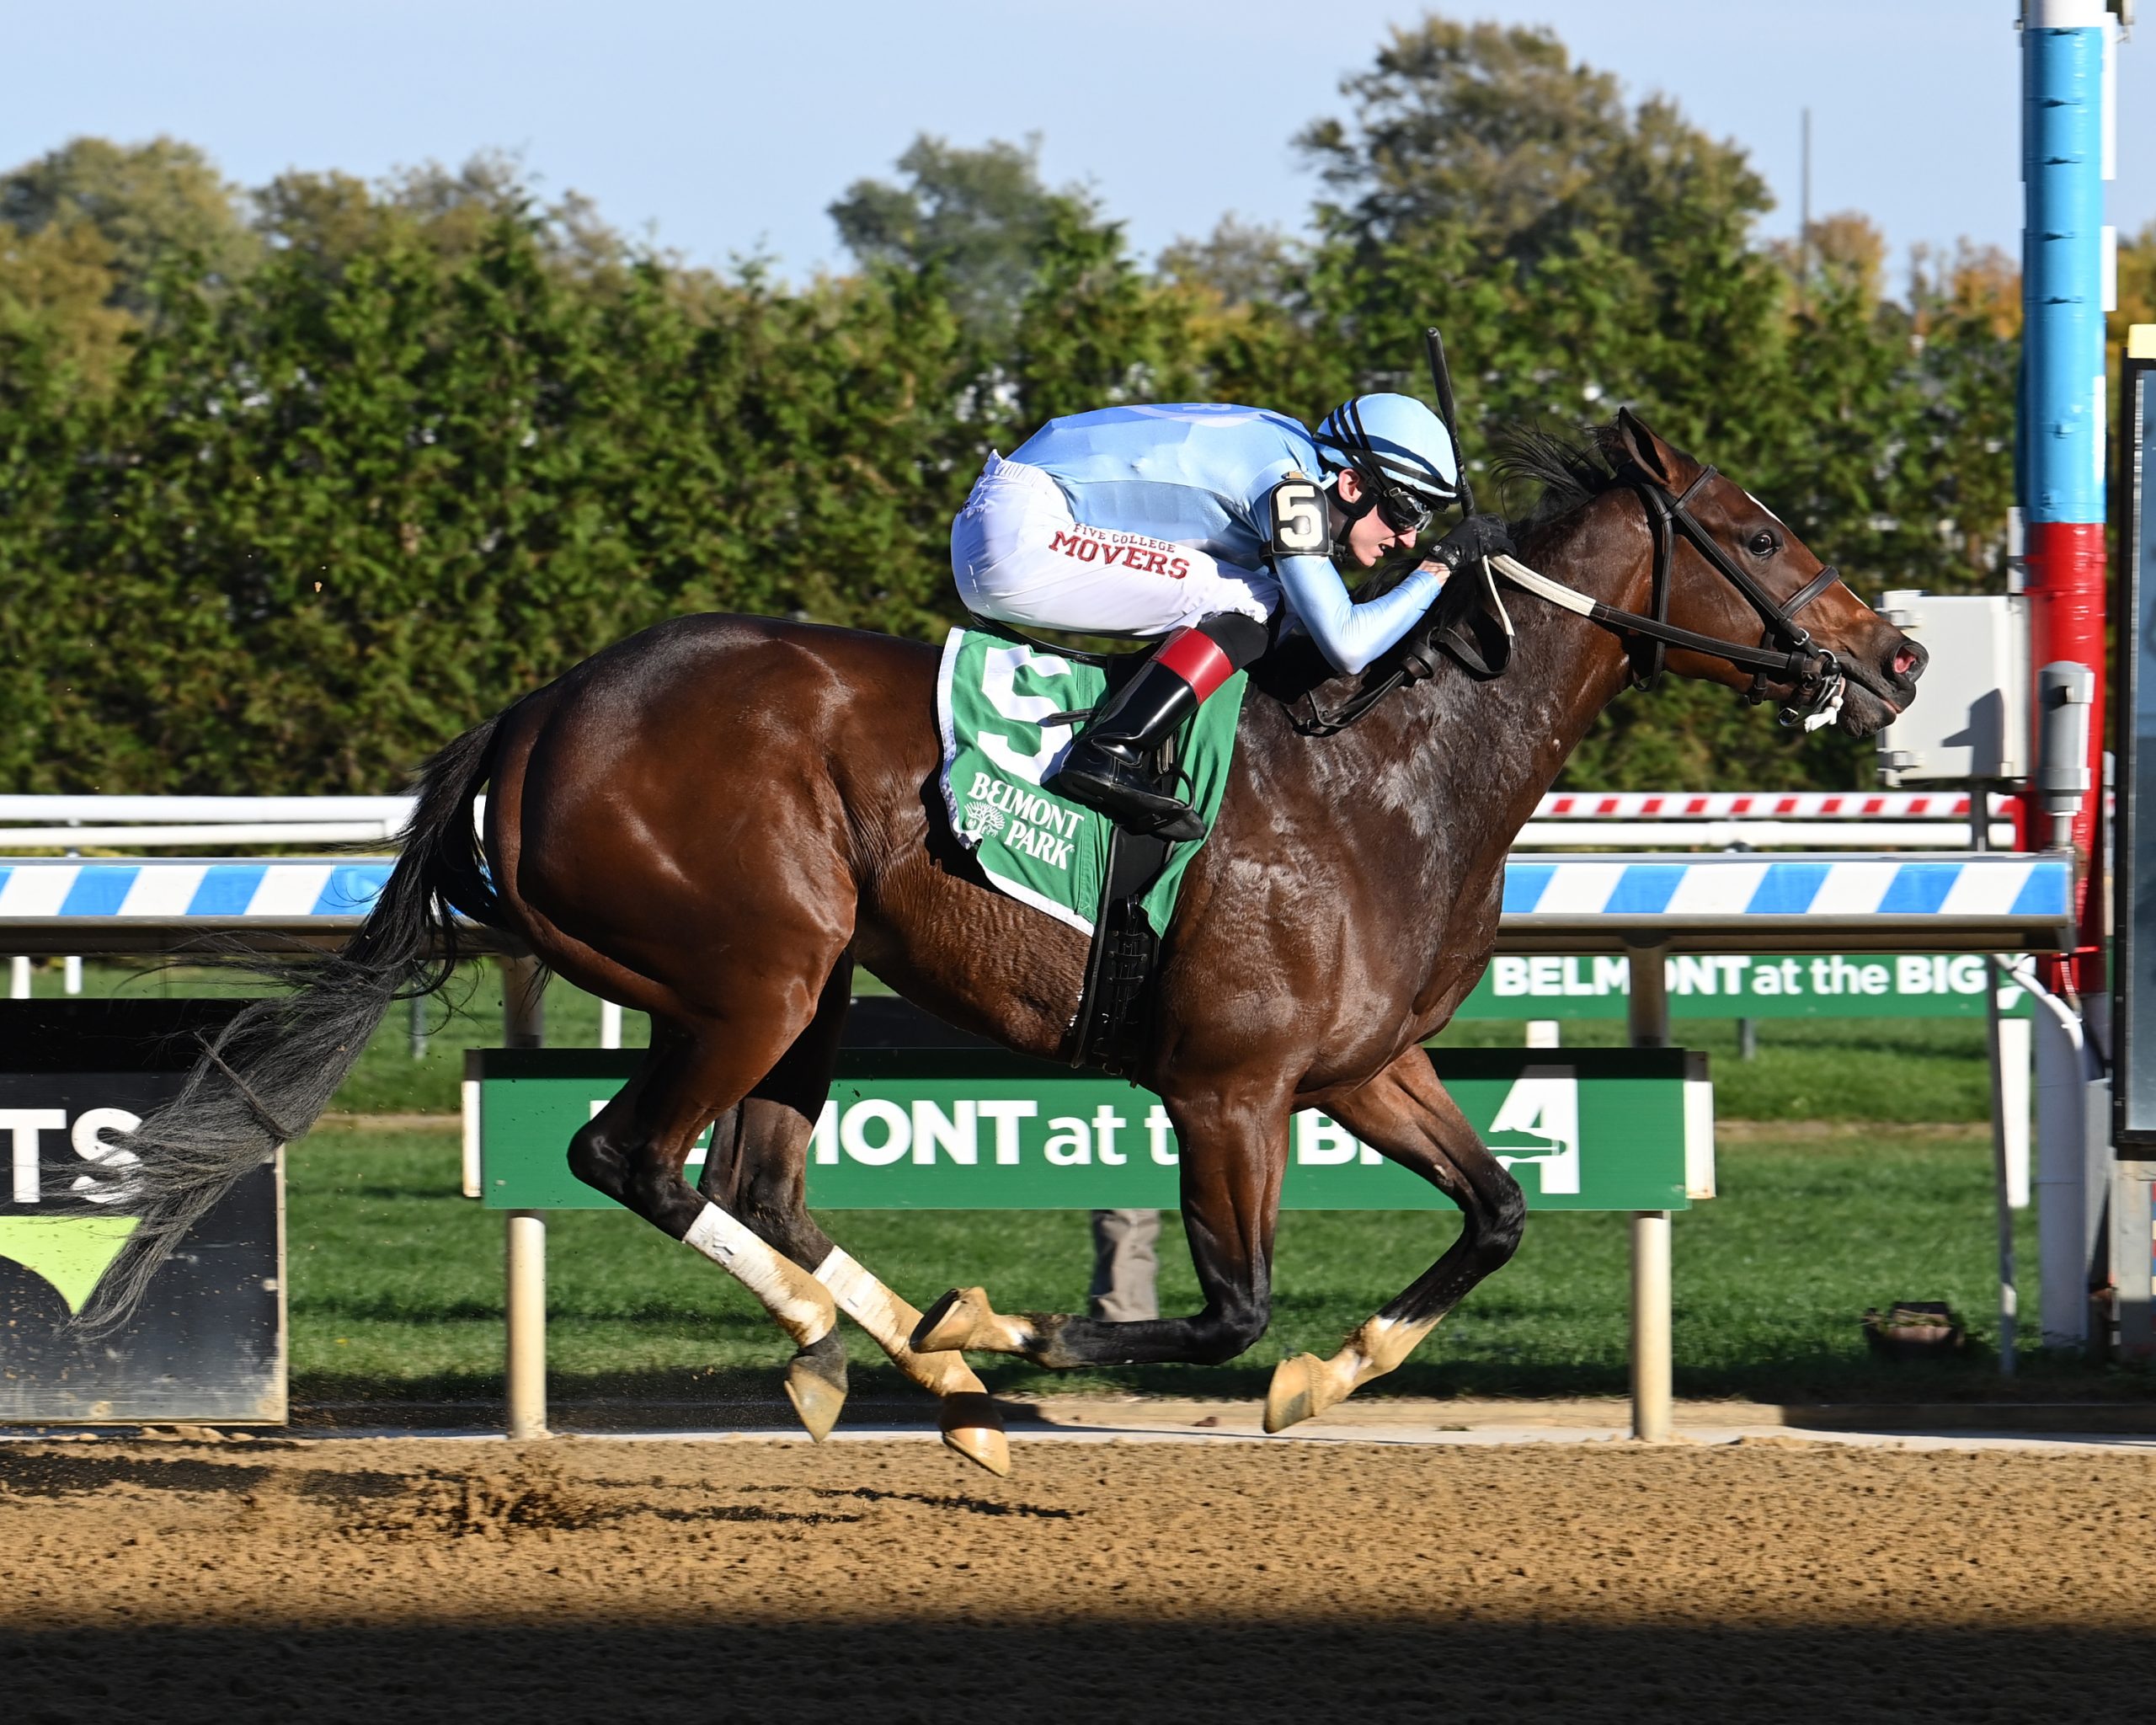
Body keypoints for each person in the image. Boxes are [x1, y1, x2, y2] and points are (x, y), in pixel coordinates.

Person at [949, 395, 1514, 839]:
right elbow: (1347, 645)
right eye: (1406, 511)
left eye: (1424, 522)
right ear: (1351, 483)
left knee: (1271, 603)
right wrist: (1441, 565)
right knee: (1259, 600)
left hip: (1010, 511)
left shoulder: (1291, 450)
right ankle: (1111, 750)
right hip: (1019, 531)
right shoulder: (1291, 487)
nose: (1409, 538)